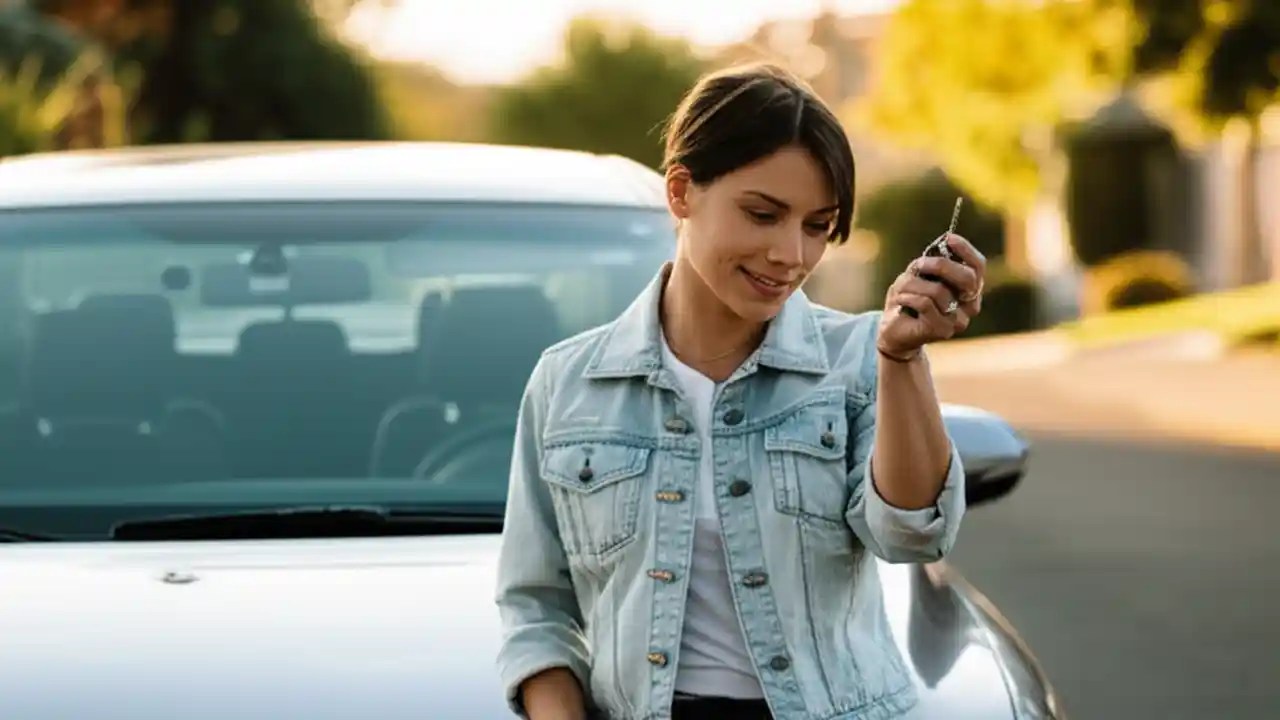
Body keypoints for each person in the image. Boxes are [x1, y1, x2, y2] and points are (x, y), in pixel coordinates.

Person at [495, 62, 986, 720]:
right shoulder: (567, 383)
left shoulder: (863, 360)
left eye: (818, 226)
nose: (791, 254)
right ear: (680, 192)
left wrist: (902, 360)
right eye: (763, 214)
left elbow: (910, 535)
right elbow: (536, 612)